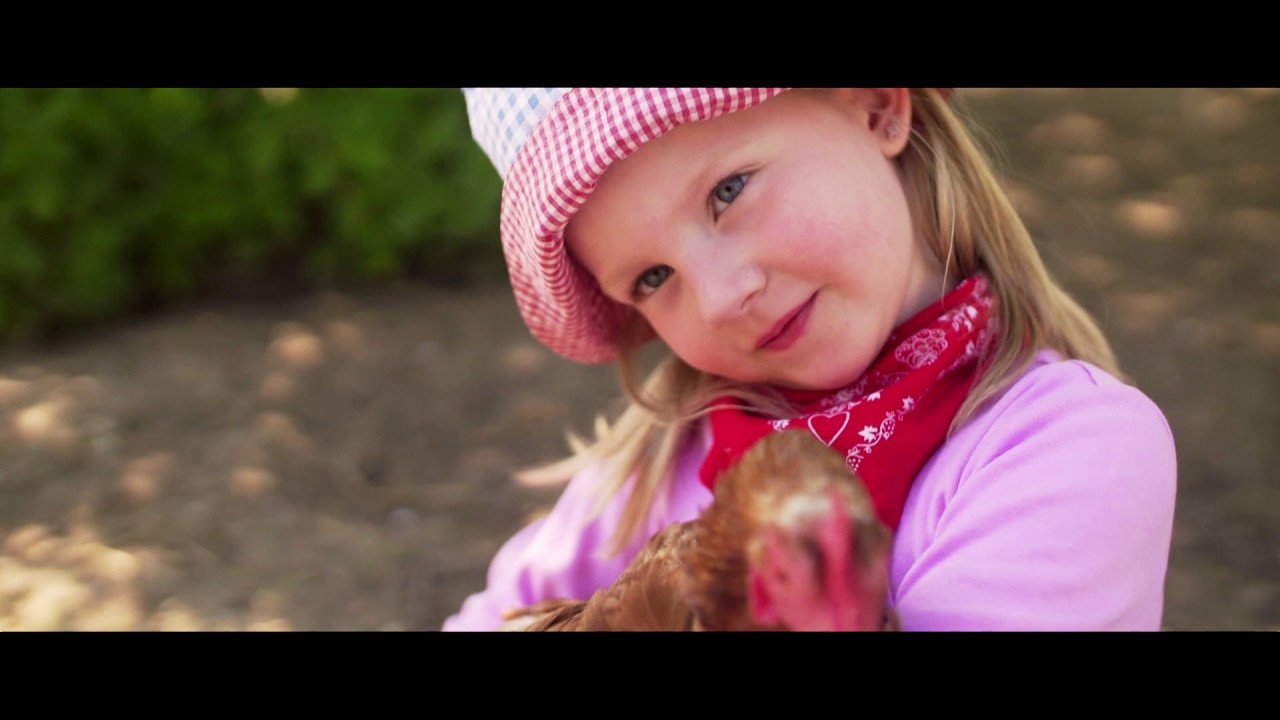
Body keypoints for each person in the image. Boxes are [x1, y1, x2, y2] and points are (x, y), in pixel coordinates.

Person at [442, 88, 1177, 631]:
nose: (724, 298)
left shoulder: (1069, 454)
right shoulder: (652, 470)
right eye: (652, 279)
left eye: (728, 192)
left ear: (876, 106)